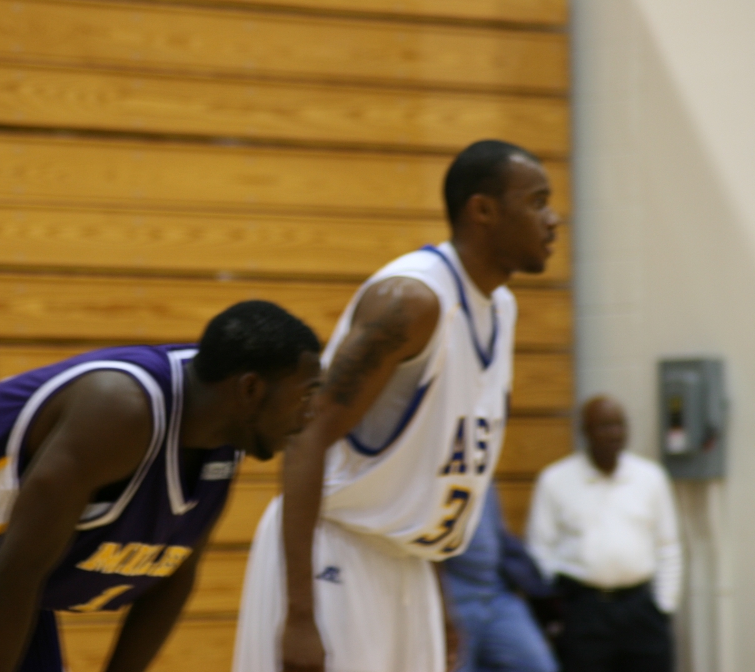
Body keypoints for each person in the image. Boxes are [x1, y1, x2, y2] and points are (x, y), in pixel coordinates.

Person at [0, 300, 322, 672]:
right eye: (304, 395)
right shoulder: (120, 412)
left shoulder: (224, 429)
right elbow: (15, 576)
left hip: (1, 573)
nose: (309, 412)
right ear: (251, 389)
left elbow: (174, 572)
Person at [233, 139, 560, 672]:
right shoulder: (411, 301)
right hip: (336, 549)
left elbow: (428, 475)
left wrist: (437, 593)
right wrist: (298, 615)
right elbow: (305, 435)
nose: (552, 219)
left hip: (407, 562)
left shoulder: (501, 307)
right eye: (537, 201)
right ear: (484, 210)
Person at [527, 395, 681, 672]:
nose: (614, 434)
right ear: (585, 432)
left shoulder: (651, 477)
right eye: (604, 426)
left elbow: (668, 547)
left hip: (640, 609)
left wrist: (664, 606)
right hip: (584, 610)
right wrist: (558, 610)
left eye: (619, 425)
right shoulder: (555, 480)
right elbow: (540, 550)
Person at [441, 484, 557, 672]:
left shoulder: (484, 471)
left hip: (497, 593)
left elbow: (500, 534)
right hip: (456, 596)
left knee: (538, 666)